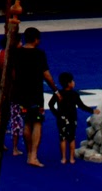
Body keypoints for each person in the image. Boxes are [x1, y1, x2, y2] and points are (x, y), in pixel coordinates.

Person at [12, 27, 58, 167]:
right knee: (37, 122)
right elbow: (46, 75)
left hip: (21, 92)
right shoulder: (39, 54)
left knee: (26, 122)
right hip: (35, 93)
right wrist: (55, 89)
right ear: (36, 40)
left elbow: (13, 73)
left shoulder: (17, 53)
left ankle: (29, 153)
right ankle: (33, 155)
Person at [48, 71, 96, 163]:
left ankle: (63, 158)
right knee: (71, 138)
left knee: (62, 138)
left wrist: (56, 114)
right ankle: (71, 158)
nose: (74, 82)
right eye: (72, 81)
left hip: (61, 118)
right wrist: (92, 110)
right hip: (72, 119)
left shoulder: (58, 94)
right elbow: (81, 106)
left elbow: (51, 104)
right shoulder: (74, 94)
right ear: (69, 83)